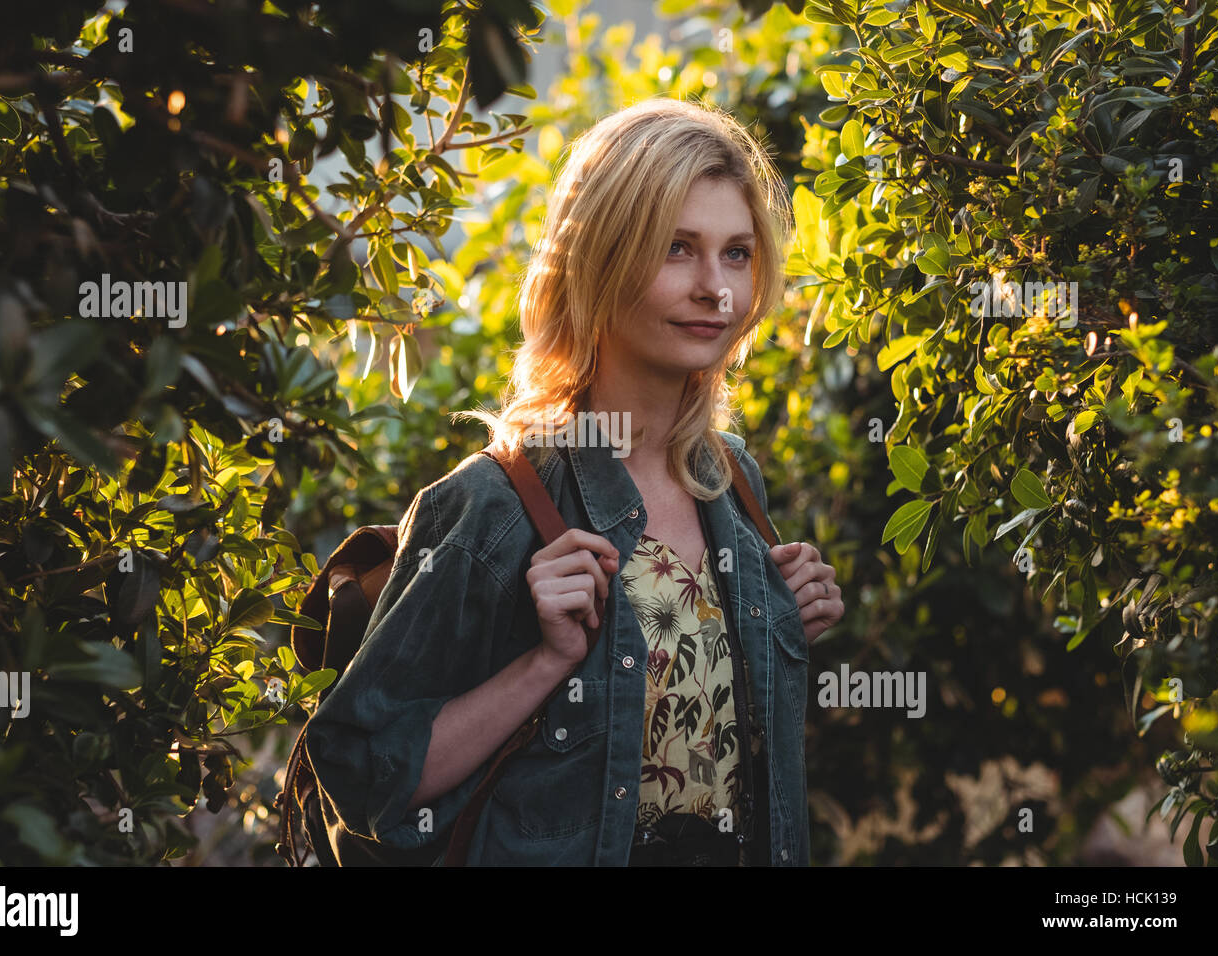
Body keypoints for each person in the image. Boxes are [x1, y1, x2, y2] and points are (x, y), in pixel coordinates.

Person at [304, 96, 844, 866]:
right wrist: (546, 661)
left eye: (737, 253)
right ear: (603, 259)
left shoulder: (731, 478)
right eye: (676, 248)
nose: (715, 288)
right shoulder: (496, 503)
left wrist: (781, 622)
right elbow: (364, 777)